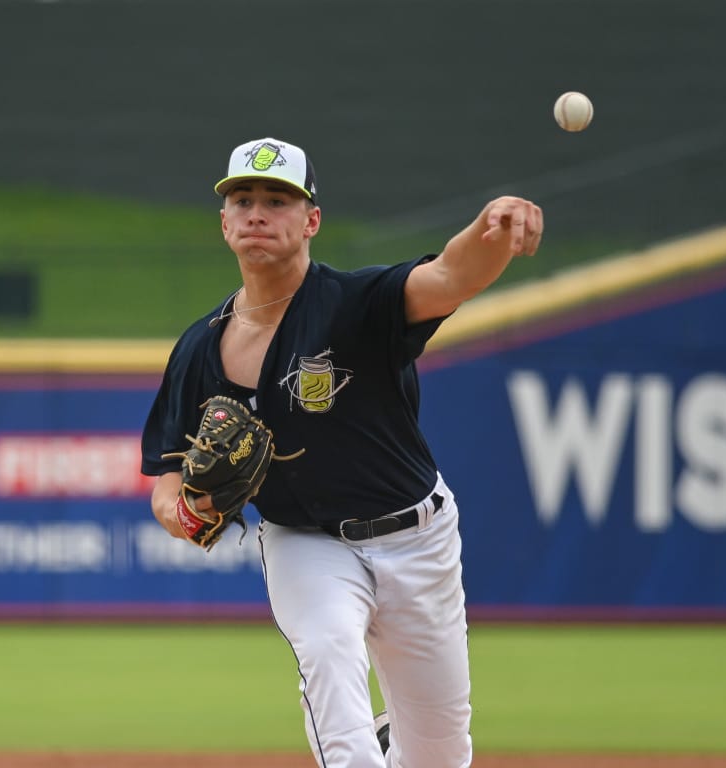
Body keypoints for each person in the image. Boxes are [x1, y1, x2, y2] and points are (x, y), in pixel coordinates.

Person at [140, 137, 542, 767]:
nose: (256, 213)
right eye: (242, 199)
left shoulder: (358, 304)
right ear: (223, 222)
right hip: (306, 541)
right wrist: (187, 513)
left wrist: (491, 229)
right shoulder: (201, 348)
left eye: (278, 200)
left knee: (439, 751)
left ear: (311, 221)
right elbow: (167, 479)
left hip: (418, 538)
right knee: (328, 654)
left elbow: (449, 276)